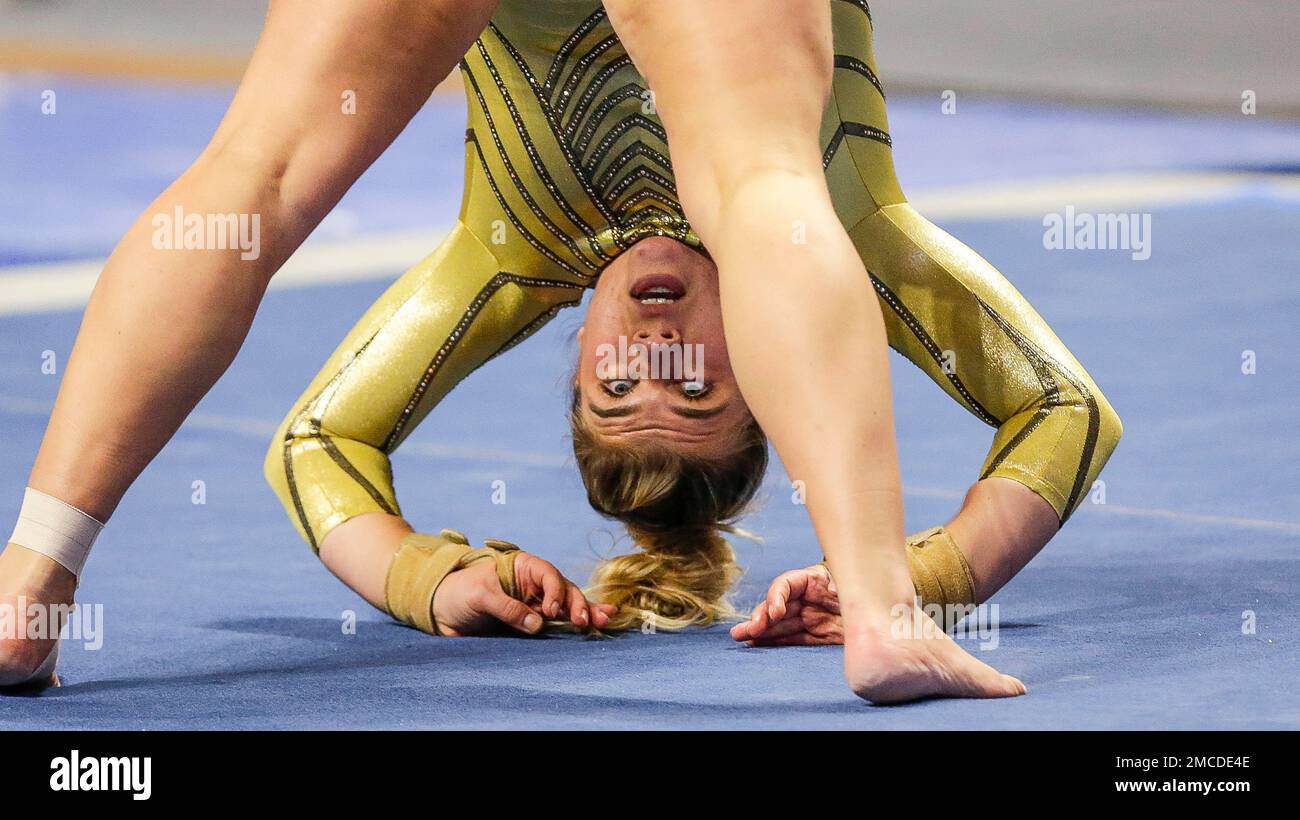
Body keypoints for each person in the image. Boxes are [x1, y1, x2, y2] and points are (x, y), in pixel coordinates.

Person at [2, 0, 1120, 703]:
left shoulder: (518, 249)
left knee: (254, 173)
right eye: (695, 383)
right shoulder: (852, 238)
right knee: (759, 180)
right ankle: (884, 626)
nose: (651, 345)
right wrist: (909, 577)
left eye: (617, 382)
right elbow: (1067, 412)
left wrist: (425, 577)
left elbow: (315, 443)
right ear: (773, 381)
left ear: (571, 347)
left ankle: (29, 580)